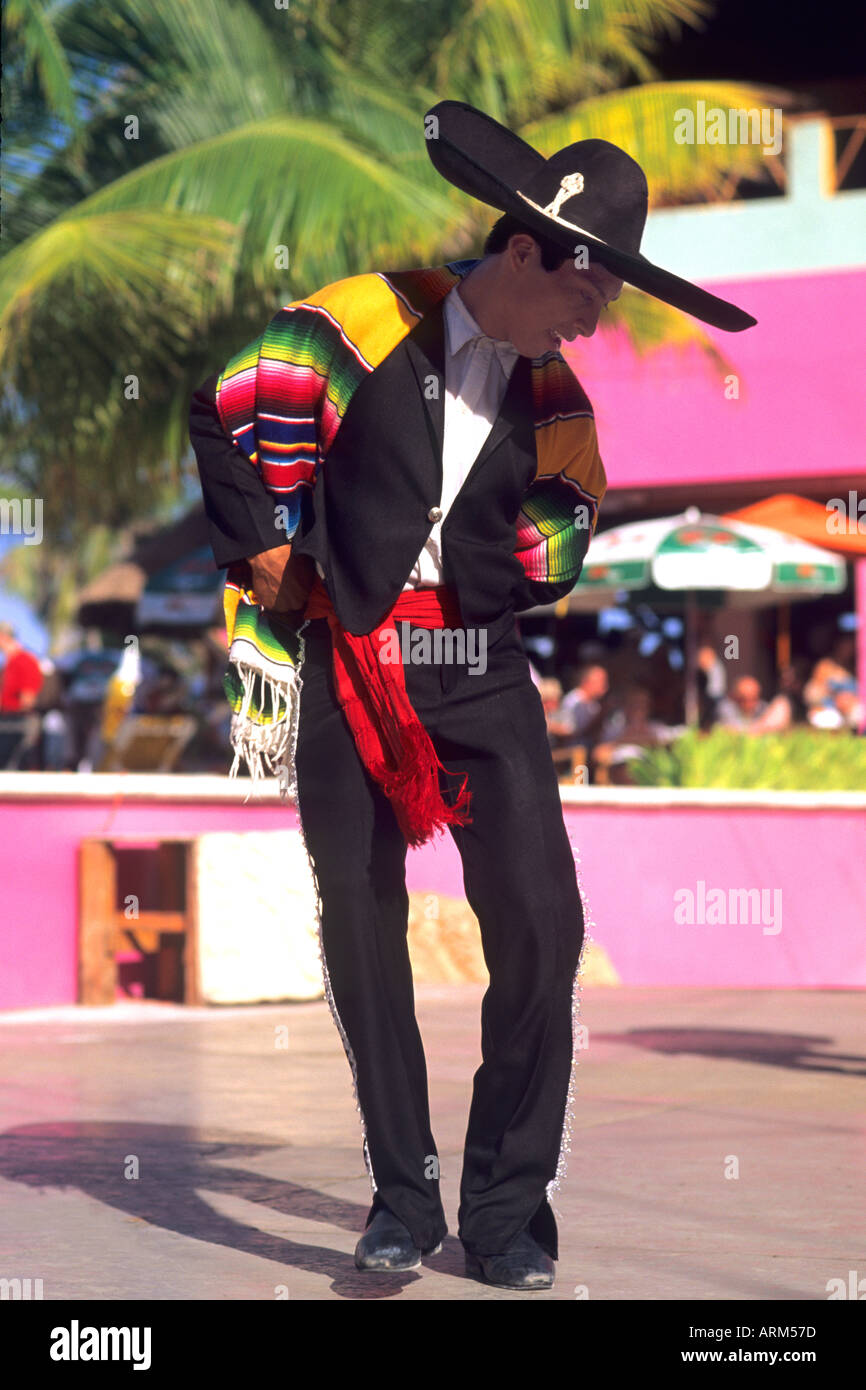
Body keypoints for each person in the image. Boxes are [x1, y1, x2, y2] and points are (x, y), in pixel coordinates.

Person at [188, 99, 755, 1291]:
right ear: (518, 253)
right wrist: (272, 559)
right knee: (359, 921)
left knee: (544, 927)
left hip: (476, 666)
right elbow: (225, 408)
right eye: (585, 295)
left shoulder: (555, 406)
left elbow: (566, 533)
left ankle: (503, 1210)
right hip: (347, 661)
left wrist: (490, 567)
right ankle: (400, 1196)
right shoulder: (361, 318)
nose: (595, 323)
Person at [0, 621, 44, 769]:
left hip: (19, 721)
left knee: (12, 768)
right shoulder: (9, 662)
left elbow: (28, 699)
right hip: (9, 720)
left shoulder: (25, 660)